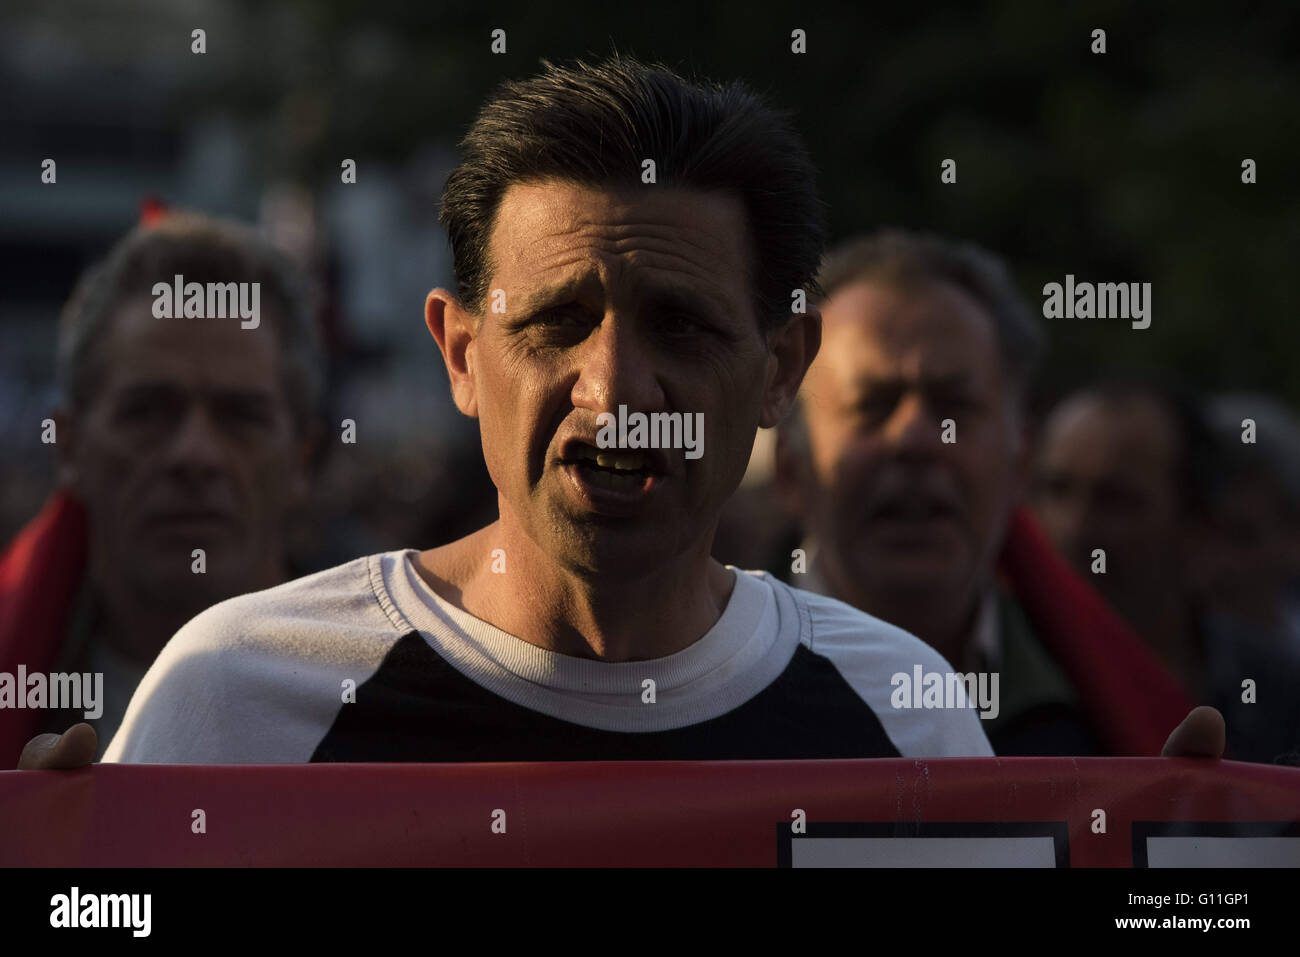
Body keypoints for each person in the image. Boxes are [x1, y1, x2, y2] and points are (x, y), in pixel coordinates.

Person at [21, 58, 1222, 770]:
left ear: (777, 369)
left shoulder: (905, 717)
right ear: (459, 352)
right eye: (556, 322)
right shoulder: (235, 699)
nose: (617, 391)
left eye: (683, 328)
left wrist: (1181, 879)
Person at [774, 231, 1200, 756]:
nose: (915, 439)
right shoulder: (694, 690)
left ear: (1021, 463)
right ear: (790, 470)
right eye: (873, 406)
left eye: (954, 405)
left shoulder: (1110, 717)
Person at [0, 212, 323, 762]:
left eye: (240, 415)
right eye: (148, 411)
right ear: (70, 448)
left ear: (301, 459)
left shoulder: (402, 701)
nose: (194, 454)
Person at [1034, 382, 1300, 762]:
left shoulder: (1280, 700)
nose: (1074, 528)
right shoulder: (993, 684)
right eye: (1057, 490)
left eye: (1117, 500)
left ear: (1196, 527)